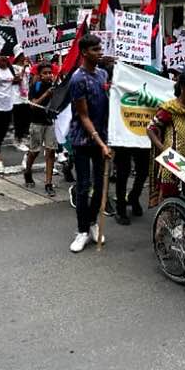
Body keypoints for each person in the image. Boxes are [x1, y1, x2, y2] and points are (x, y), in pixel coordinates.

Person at [67, 33, 112, 253]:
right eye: (95, 49)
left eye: (100, 48)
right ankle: (82, 230)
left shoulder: (103, 74)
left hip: (102, 138)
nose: (100, 52)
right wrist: (99, 142)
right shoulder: (77, 79)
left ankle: (94, 222)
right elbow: (83, 116)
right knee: (84, 187)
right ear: (84, 52)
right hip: (83, 140)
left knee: (101, 184)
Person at [147, 67, 185, 208]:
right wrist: (163, 150)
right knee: (169, 202)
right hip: (172, 162)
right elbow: (150, 130)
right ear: (183, 87)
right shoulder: (169, 109)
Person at [25, 61, 57, 196]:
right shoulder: (35, 87)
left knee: (50, 152)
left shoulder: (54, 86)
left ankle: (48, 183)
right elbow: (32, 105)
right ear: (40, 75)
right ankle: (28, 171)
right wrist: (46, 95)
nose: (48, 75)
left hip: (49, 122)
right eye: (45, 73)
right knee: (34, 151)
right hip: (37, 123)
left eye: (50, 73)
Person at [10, 48, 31, 151]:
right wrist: (23, 69)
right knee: (18, 119)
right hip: (16, 97)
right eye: (23, 54)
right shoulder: (13, 67)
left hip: (26, 96)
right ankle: (17, 140)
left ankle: (23, 137)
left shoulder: (28, 67)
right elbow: (14, 80)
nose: (25, 56)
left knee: (26, 118)